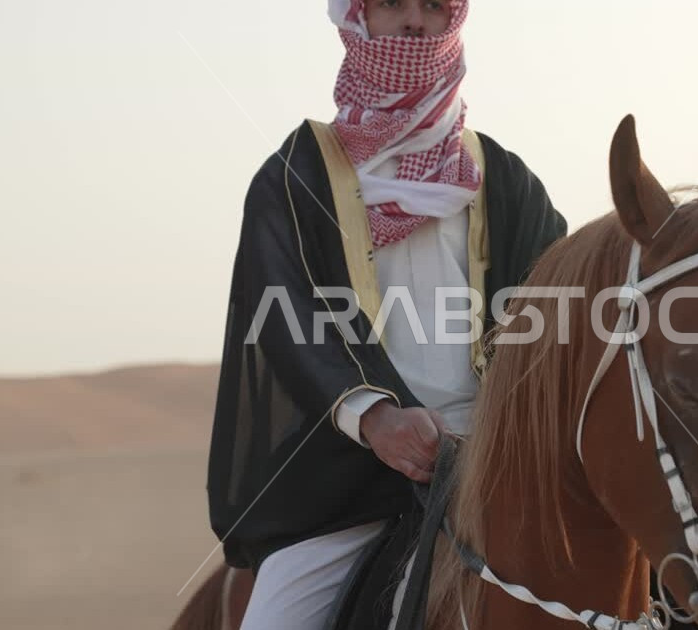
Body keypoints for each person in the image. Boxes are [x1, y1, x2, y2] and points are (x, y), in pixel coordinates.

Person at [205, 1, 567, 628]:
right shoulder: (298, 177)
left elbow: (563, 319)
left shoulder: (504, 178)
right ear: (357, 20)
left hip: (499, 469)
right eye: (392, 4)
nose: (414, 23)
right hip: (350, 479)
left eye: (433, 5)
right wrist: (374, 418)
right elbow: (284, 316)